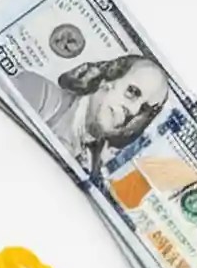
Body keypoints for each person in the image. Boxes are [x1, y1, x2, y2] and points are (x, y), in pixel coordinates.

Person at [15, 55, 170, 181]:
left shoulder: (94, 170)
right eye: (133, 92)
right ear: (107, 80)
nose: (133, 111)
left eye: (144, 110)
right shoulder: (38, 93)